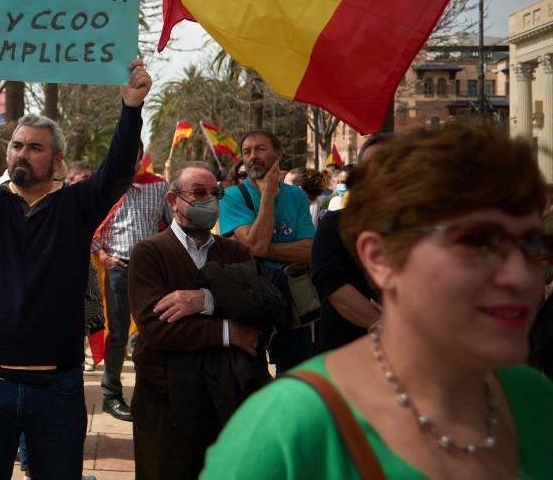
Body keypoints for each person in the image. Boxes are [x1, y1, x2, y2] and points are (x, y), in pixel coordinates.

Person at [202, 121, 553, 478]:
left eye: (533, 246)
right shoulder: (282, 433)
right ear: (379, 259)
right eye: (477, 244)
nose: (519, 277)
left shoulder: (535, 401)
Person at [0, 41, 151, 479]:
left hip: (58, 390)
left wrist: (131, 108)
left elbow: (117, 171)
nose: (22, 153)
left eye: (35, 148)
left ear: (57, 159)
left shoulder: (77, 207)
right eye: (17, 145)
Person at [129, 161, 282, 480]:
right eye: (198, 193)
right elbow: (157, 329)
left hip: (226, 399)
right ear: (173, 200)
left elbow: (261, 308)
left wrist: (205, 300)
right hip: (165, 401)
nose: (209, 200)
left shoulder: (236, 252)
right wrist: (228, 330)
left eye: (216, 192)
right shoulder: (149, 253)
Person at [218, 130, 316, 371]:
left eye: (260, 149)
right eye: (247, 152)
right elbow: (257, 244)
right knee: (251, 372)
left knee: (295, 373)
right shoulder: (231, 196)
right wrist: (268, 196)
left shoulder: (297, 196)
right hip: (252, 296)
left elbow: (308, 251)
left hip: (293, 296)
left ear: (278, 153)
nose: (253, 156)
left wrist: (256, 248)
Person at [92, 140, 169, 422]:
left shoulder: (160, 186)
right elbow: (88, 227)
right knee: (118, 335)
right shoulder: (105, 186)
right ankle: (111, 395)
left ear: (141, 157)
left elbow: (170, 226)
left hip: (150, 272)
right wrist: (103, 255)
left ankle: (154, 392)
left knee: (154, 332)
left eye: (132, 158)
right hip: (117, 269)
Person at [311, 134, 391, 353]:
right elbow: (332, 284)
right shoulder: (334, 225)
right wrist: (387, 326)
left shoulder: (425, 230)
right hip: (343, 356)